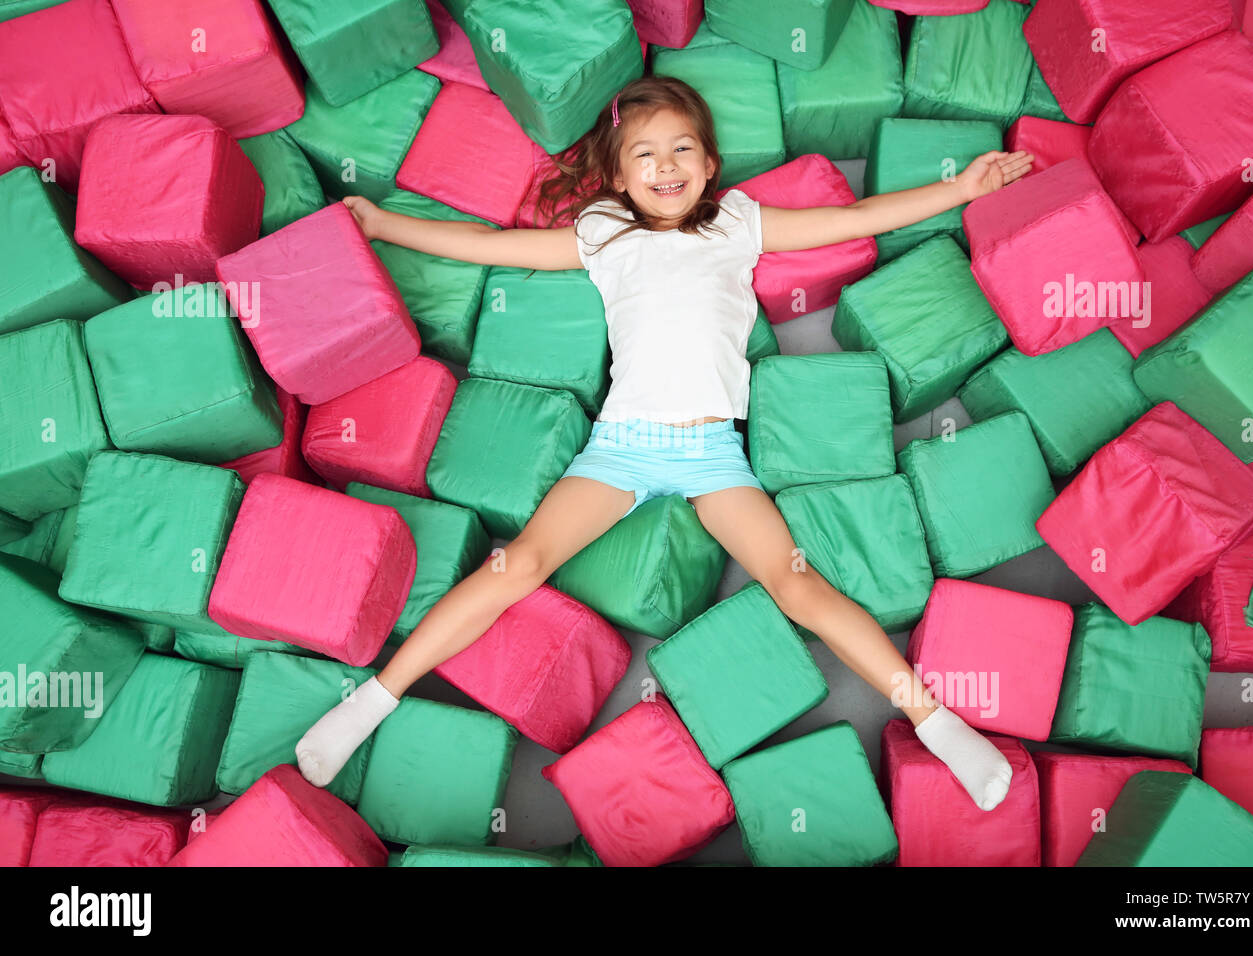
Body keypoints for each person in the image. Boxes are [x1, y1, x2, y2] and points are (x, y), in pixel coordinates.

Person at [295, 75, 1034, 812]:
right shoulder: (605, 235)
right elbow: (493, 245)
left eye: (682, 149)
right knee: (519, 563)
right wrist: (385, 225)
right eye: (644, 154)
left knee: (798, 585)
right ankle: (373, 701)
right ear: (619, 176)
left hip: (713, 455)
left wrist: (961, 188)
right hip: (620, 448)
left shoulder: (736, 224)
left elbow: (857, 217)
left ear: (710, 163)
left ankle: (936, 722)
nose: (666, 165)